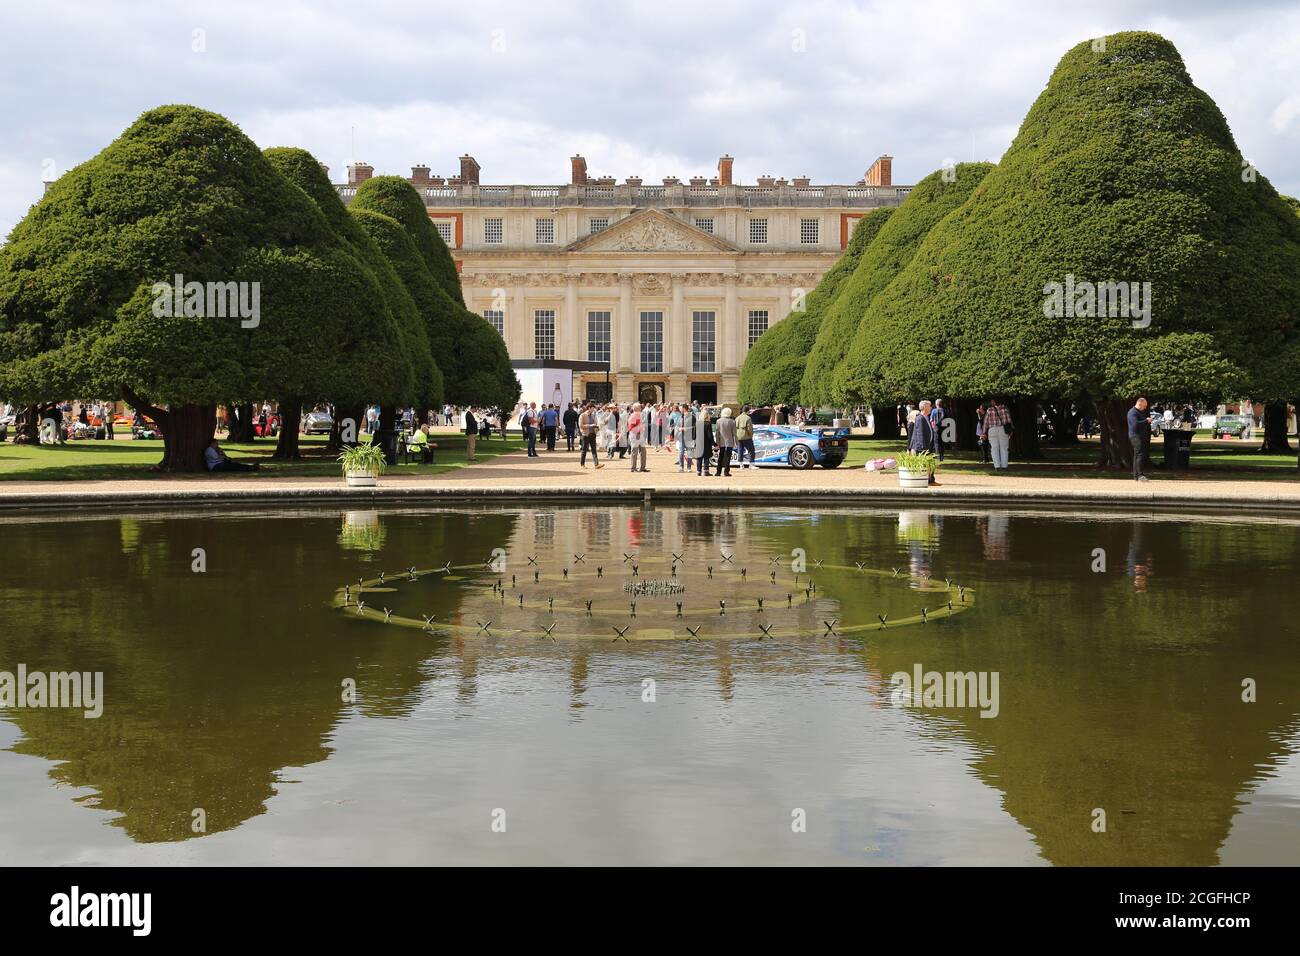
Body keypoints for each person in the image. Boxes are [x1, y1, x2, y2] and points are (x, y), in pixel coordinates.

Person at [909, 400, 939, 485]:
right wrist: (923, 448)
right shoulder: (920, 418)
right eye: (929, 406)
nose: (931, 408)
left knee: (930, 464)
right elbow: (920, 434)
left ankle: (930, 479)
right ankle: (927, 480)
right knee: (925, 465)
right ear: (925, 407)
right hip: (922, 447)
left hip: (927, 446)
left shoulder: (925, 417)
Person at [982, 399, 1012, 472]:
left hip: (992, 430)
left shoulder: (989, 410)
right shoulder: (1004, 409)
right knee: (1004, 448)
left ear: (994, 402)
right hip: (1002, 429)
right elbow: (1009, 420)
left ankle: (997, 466)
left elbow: (985, 423)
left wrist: (983, 433)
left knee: (994, 448)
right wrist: (1010, 431)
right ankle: (1004, 466)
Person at [1127, 397, 1152, 481]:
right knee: (1140, 454)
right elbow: (1135, 425)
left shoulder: (1141, 412)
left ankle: (1136, 476)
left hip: (1140, 435)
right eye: (1144, 406)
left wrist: (1147, 421)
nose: (1145, 408)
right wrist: (1146, 421)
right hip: (1135, 436)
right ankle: (1140, 475)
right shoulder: (1132, 412)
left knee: (1137, 455)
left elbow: (1141, 424)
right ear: (1140, 403)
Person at [578, 402, 604, 469]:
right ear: (589, 408)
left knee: (594, 450)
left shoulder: (593, 415)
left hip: (592, 434)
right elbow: (581, 425)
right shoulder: (582, 415)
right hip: (585, 435)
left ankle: (596, 464)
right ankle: (582, 464)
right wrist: (590, 425)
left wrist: (596, 427)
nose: (593, 410)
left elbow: (595, 423)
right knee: (584, 450)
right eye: (592, 408)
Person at [714, 407, 737, 477]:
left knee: (720, 457)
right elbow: (734, 434)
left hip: (721, 442)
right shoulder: (732, 421)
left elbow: (717, 433)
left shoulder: (718, 421)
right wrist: (736, 443)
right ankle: (726, 472)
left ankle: (718, 472)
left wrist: (717, 443)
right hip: (729, 442)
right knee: (727, 457)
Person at [628, 402, 648, 472]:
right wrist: (638, 432)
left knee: (643, 451)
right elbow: (631, 427)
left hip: (641, 434)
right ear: (636, 408)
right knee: (635, 451)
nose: (641, 408)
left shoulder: (639, 415)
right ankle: (633, 467)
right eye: (639, 407)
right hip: (635, 435)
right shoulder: (633, 416)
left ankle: (643, 467)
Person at [694, 407, 714, 476]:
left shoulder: (697, 423)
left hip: (699, 443)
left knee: (699, 458)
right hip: (706, 443)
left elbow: (693, 435)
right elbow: (710, 436)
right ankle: (706, 471)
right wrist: (714, 443)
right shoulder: (708, 424)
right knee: (706, 457)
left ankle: (698, 471)